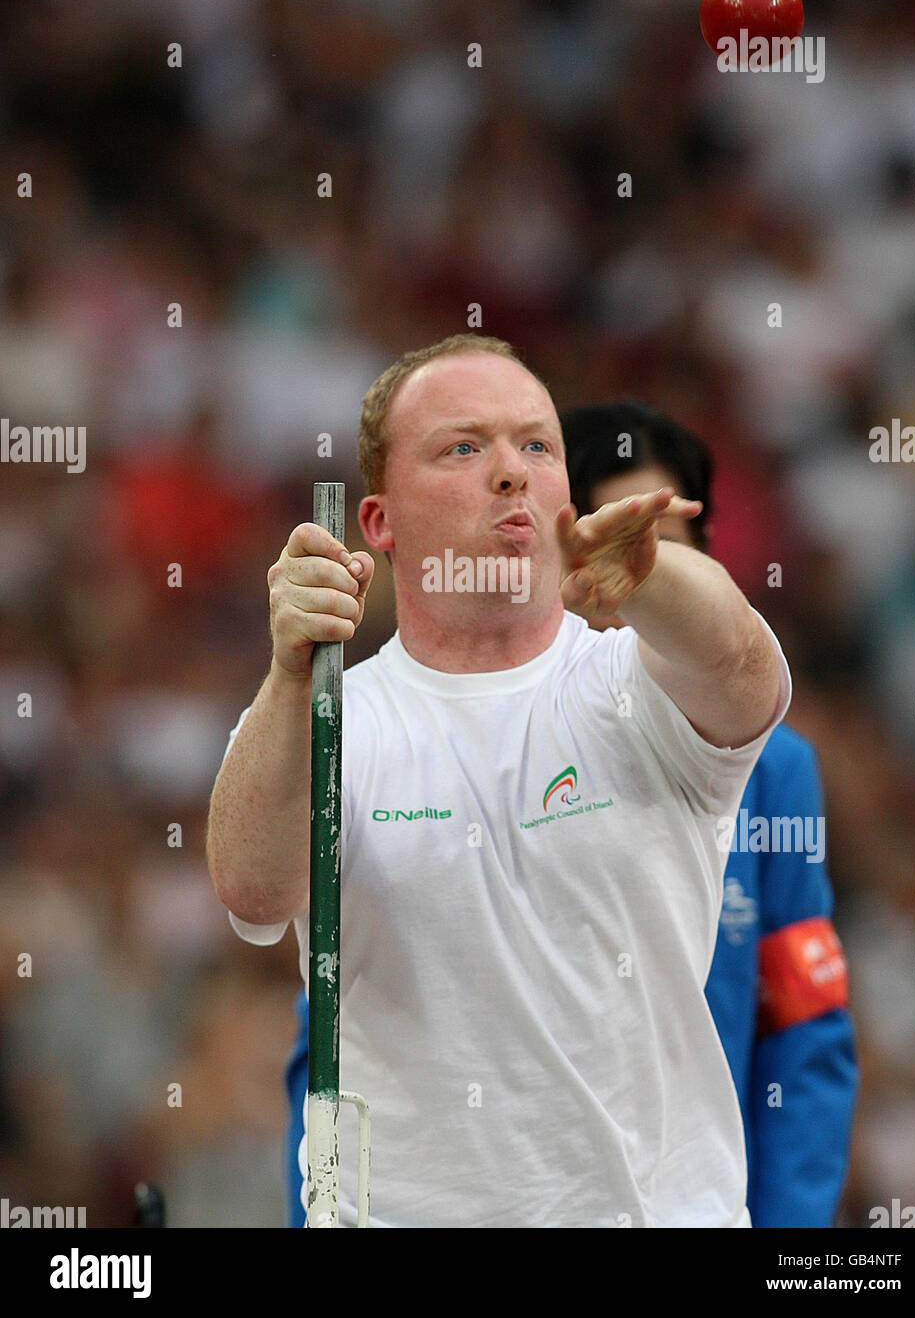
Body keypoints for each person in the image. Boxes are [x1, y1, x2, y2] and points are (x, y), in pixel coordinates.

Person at [207, 333, 791, 1228]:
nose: (511, 472)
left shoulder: (628, 683)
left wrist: (649, 575)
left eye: (536, 446)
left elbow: (746, 669)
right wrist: (290, 674)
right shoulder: (329, 715)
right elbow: (252, 894)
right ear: (379, 522)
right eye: (463, 448)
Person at [557, 401, 857, 1227]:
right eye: (612, 543)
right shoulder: (487, 741)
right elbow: (345, 1016)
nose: (638, 574)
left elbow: (801, 1025)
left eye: (663, 548)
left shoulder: (777, 769)